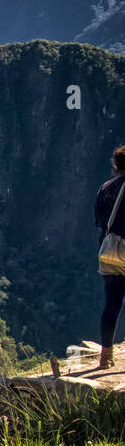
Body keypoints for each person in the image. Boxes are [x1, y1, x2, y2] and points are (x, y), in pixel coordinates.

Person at [95, 145, 125, 370]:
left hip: (108, 253)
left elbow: (98, 222)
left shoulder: (105, 188)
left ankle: (106, 357)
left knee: (112, 305)